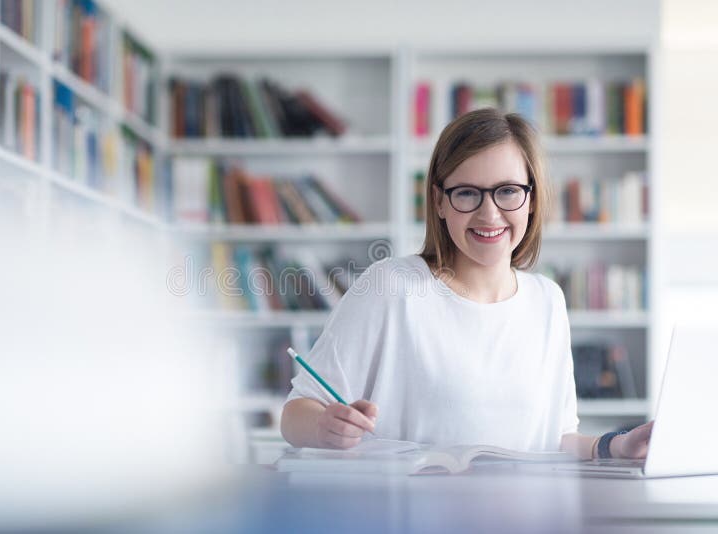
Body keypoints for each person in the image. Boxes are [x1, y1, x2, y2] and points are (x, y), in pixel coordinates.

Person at [280, 108, 653, 460]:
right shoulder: (391, 286)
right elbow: (295, 415)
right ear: (440, 201)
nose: (488, 213)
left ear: (532, 200)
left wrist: (615, 446)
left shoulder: (547, 300)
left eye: (507, 190)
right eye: (467, 193)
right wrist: (323, 427)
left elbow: (555, 439)